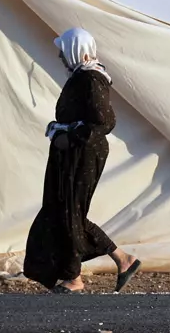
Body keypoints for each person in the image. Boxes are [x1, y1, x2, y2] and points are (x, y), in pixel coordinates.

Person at [23, 28, 141, 293]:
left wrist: (71, 136)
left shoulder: (91, 78)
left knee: (70, 214)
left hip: (83, 155)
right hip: (72, 154)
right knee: (64, 212)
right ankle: (120, 260)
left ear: (77, 50)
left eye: (64, 51)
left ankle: (76, 277)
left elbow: (105, 120)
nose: (61, 56)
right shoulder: (82, 76)